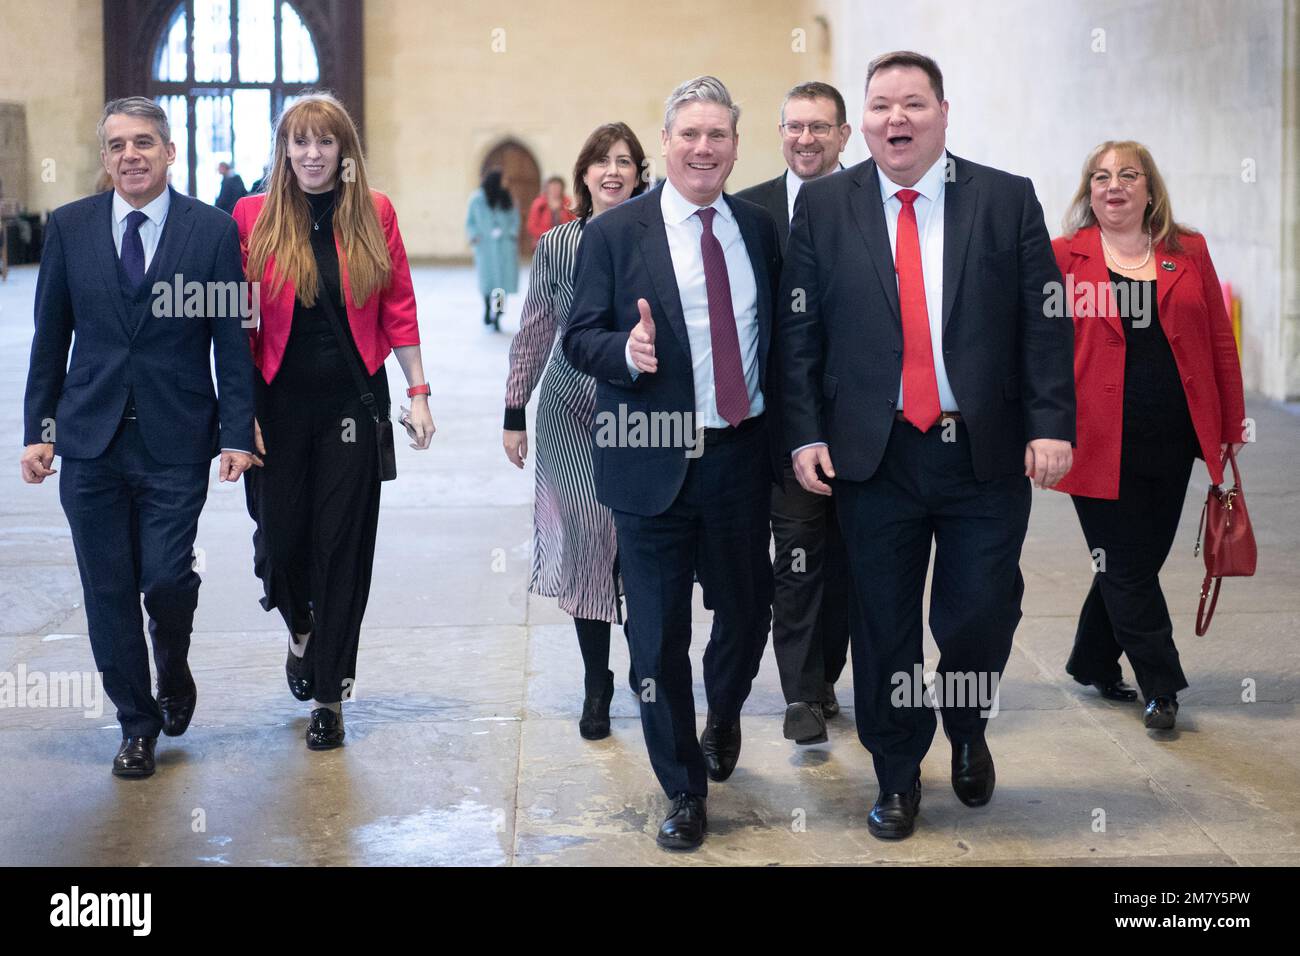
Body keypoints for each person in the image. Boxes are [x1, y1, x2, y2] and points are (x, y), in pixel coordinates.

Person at [779, 51, 1075, 840]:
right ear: (863, 121)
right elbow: (799, 332)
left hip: (982, 452)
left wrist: (1051, 423)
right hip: (873, 456)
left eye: (913, 103)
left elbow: (1045, 322)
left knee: (979, 609)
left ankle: (967, 722)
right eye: (880, 106)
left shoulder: (1006, 200)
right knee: (883, 623)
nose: (896, 119)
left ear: (945, 112)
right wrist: (804, 431)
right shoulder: (826, 206)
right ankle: (898, 771)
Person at [564, 76, 783, 850]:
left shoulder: (759, 228)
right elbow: (577, 336)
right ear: (665, 142)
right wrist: (623, 351)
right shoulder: (616, 233)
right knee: (656, 639)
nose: (702, 147)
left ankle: (723, 710)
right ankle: (684, 789)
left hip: (738, 456)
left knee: (749, 609)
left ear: (733, 143)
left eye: (717, 134)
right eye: (688, 133)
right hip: (646, 462)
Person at [21, 97, 256, 777]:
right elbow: (50, 341)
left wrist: (236, 432)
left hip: (176, 438)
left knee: (162, 576)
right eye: (118, 144)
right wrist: (42, 431)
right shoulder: (70, 229)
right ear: (105, 157)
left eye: (145, 143)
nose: (131, 155)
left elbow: (230, 342)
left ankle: (173, 663)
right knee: (107, 589)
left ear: (169, 153)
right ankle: (136, 722)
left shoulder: (210, 232)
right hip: (89, 441)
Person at [232, 93, 434, 750]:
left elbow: (399, 306)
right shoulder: (252, 218)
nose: (313, 155)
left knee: (342, 550)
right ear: (284, 151)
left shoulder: (374, 214)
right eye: (300, 142)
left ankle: (329, 696)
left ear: (344, 152)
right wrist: (237, 416)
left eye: (325, 143)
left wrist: (419, 392)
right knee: (280, 544)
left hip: (352, 403)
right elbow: (233, 324)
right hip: (276, 409)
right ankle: (300, 631)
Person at [1051, 140, 1246, 731]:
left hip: (1172, 436)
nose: (1114, 186)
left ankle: (1091, 661)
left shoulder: (1187, 250)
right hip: (1095, 437)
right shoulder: (1064, 256)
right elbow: (1042, 351)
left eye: (1128, 175)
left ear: (1148, 188)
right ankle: (1161, 684)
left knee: (1134, 561)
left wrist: (1230, 422)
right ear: (1089, 190)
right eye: (1101, 176)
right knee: (1127, 567)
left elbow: (1217, 338)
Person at [503, 124, 647, 740]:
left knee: (640, 544)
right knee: (588, 540)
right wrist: (514, 409)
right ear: (583, 174)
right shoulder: (561, 243)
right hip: (570, 412)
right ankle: (597, 681)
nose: (612, 171)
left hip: (644, 413)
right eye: (600, 162)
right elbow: (536, 327)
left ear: (641, 173)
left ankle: (649, 673)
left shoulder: (660, 238)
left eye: (624, 162)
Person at [737, 80, 853, 747]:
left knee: (849, 563)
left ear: (842, 136)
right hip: (782, 424)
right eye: (794, 126)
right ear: (780, 133)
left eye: (819, 127)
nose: (805, 138)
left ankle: (827, 673)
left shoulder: (870, 205)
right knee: (799, 555)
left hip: (865, 423)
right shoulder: (747, 211)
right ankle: (801, 694)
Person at [467, 169, 519, 330]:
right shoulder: (477, 199)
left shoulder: (508, 198)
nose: (506, 183)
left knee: (501, 286)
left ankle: (497, 315)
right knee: (487, 281)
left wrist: (509, 233)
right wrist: (475, 235)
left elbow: (515, 220)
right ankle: (488, 307)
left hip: (504, 247)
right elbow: (470, 221)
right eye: (503, 179)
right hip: (486, 247)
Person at [526, 175, 576, 248]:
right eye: (552, 187)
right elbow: (531, 226)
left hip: (563, 242)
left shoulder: (567, 203)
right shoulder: (539, 204)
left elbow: (573, 222)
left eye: (557, 187)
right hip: (544, 242)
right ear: (547, 188)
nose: (555, 190)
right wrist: (550, 234)